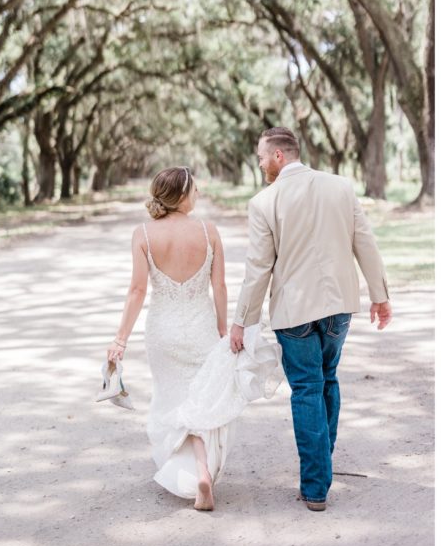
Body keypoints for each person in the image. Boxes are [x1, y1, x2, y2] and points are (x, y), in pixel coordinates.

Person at [231, 127, 391, 511]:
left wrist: (242, 321)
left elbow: (258, 268)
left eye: (262, 156)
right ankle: (322, 467)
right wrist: (380, 296)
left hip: (294, 312)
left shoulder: (264, 202)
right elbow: (365, 243)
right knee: (327, 378)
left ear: (279, 156)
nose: (260, 163)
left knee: (306, 388)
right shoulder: (341, 186)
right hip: (339, 307)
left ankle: (316, 486)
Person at [106, 166, 281, 512]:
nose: (198, 194)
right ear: (182, 195)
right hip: (201, 327)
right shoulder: (208, 231)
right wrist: (223, 329)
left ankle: (187, 470)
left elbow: (137, 290)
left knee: (172, 398)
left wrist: (120, 339)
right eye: (195, 189)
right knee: (201, 400)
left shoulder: (143, 234)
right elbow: (220, 286)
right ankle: (202, 470)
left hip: (162, 331)